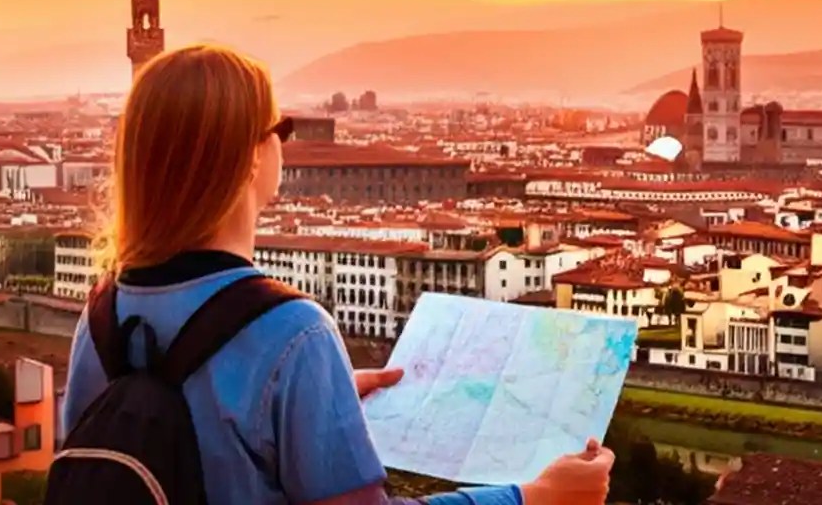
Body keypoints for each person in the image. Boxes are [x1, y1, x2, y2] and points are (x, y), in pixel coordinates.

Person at [61, 43, 615, 505]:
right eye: (280, 126)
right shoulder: (293, 333)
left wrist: (323, 404)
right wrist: (533, 497)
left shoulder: (103, 316)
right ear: (250, 156)